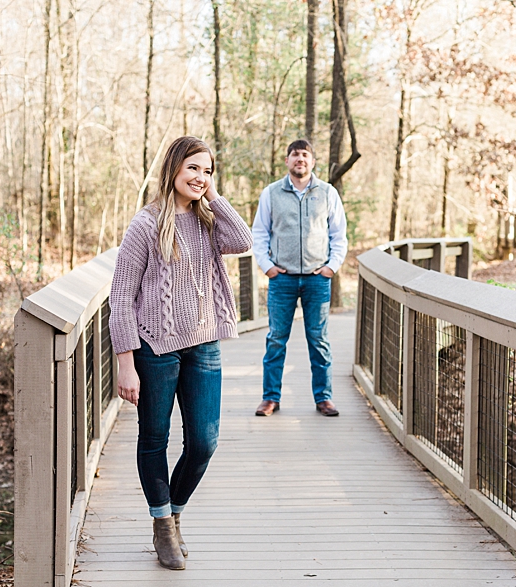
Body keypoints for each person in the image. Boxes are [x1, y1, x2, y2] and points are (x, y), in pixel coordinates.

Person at [108, 136, 252, 570]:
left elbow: (243, 239)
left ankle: (174, 513)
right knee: (154, 438)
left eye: (207, 170)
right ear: (173, 168)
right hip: (155, 347)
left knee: (204, 442)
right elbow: (120, 297)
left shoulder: (209, 221)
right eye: (193, 168)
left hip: (203, 343)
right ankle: (162, 525)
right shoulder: (146, 224)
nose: (200, 177)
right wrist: (126, 364)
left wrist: (213, 196)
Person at [251, 139, 348, 417]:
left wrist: (331, 267)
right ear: (287, 161)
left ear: (313, 161)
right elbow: (259, 233)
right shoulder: (271, 193)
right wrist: (267, 266)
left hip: (318, 279)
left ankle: (324, 398)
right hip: (282, 279)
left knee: (319, 340)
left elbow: (338, 235)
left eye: (305, 155)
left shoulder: (327, 193)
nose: (300, 159)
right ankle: (270, 398)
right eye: (295, 155)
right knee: (276, 339)